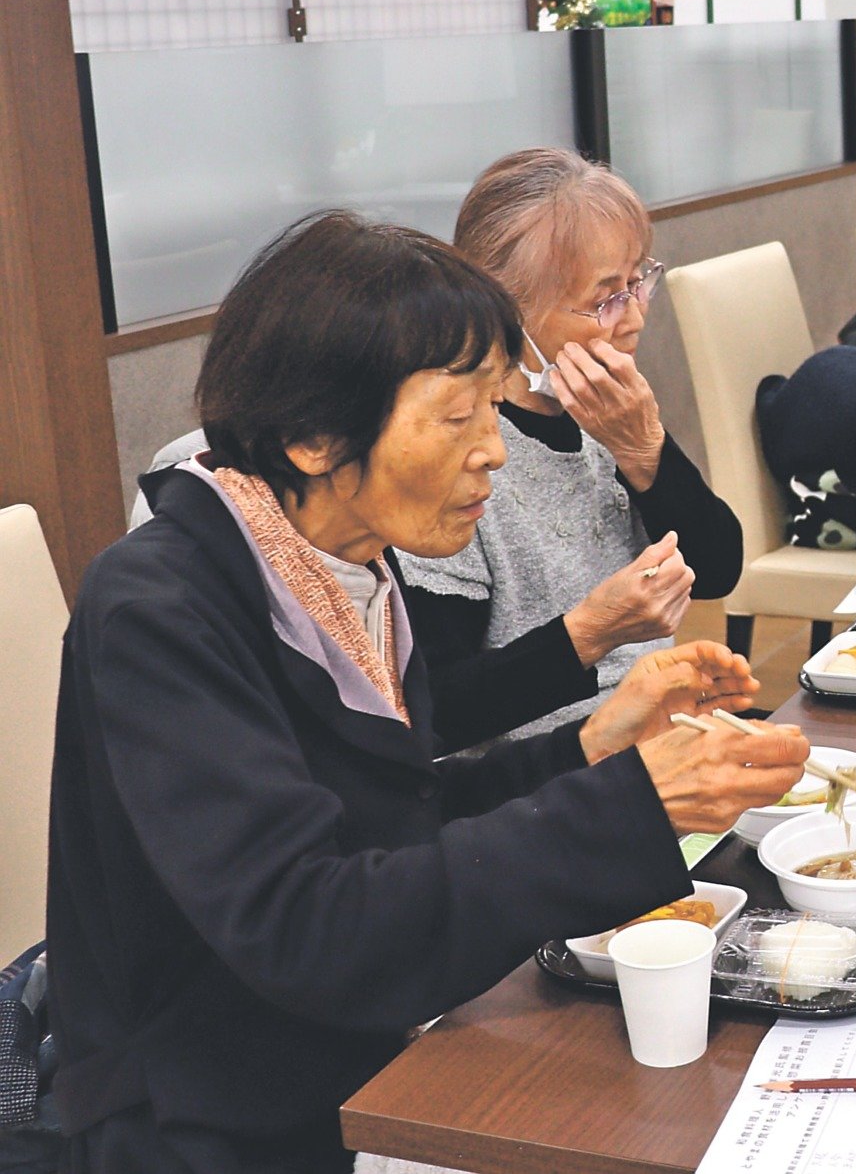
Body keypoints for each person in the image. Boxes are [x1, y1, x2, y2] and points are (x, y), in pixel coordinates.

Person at [45, 213, 809, 1172]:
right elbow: (308, 923)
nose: (494, 449)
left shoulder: (350, 562)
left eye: (497, 407)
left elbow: (391, 813)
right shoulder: (160, 608)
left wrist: (591, 749)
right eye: (459, 416)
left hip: (367, 1047)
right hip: (211, 1116)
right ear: (316, 434)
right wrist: (629, 803)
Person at [397, 149, 744, 749]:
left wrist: (645, 451)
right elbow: (439, 709)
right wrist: (591, 631)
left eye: (639, 282)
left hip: (658, 730)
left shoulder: (600, 409)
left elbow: (717, 571)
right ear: (506, 308)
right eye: (606, 297)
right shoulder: (453, 452)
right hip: (545, 771)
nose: (634, 317)